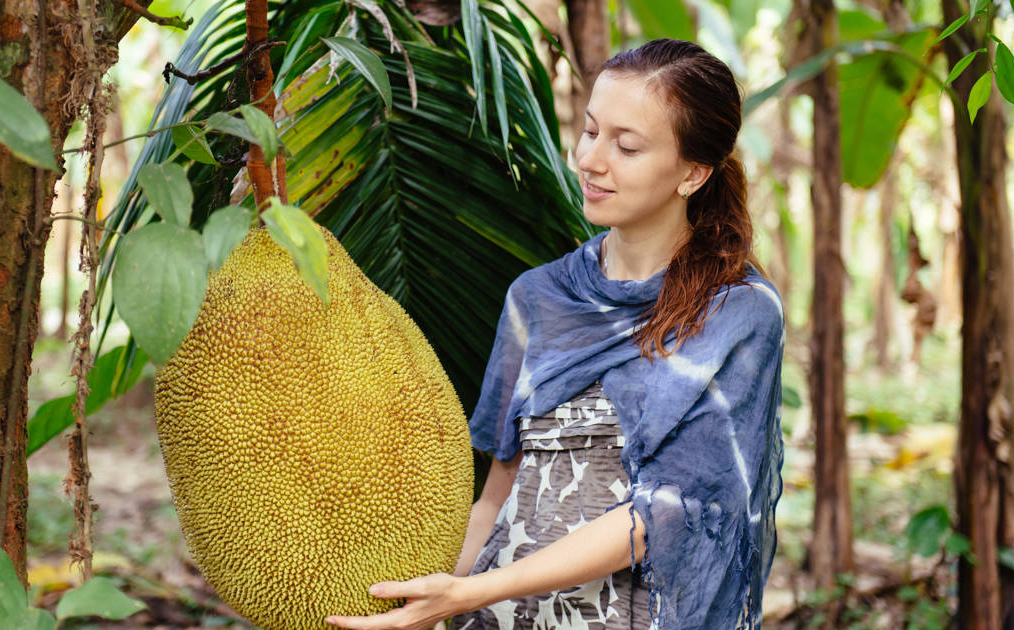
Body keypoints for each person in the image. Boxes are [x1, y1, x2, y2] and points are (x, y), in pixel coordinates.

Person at [326, 38, 785, 630]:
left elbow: (664, 516)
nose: (591, 160)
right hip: (496, 615)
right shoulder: (537, 296)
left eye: (626, 145)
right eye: (591, 131)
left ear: (693, 173)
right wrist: (428, 606)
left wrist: (471, 592)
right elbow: (496, 496)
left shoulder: (737, 311)